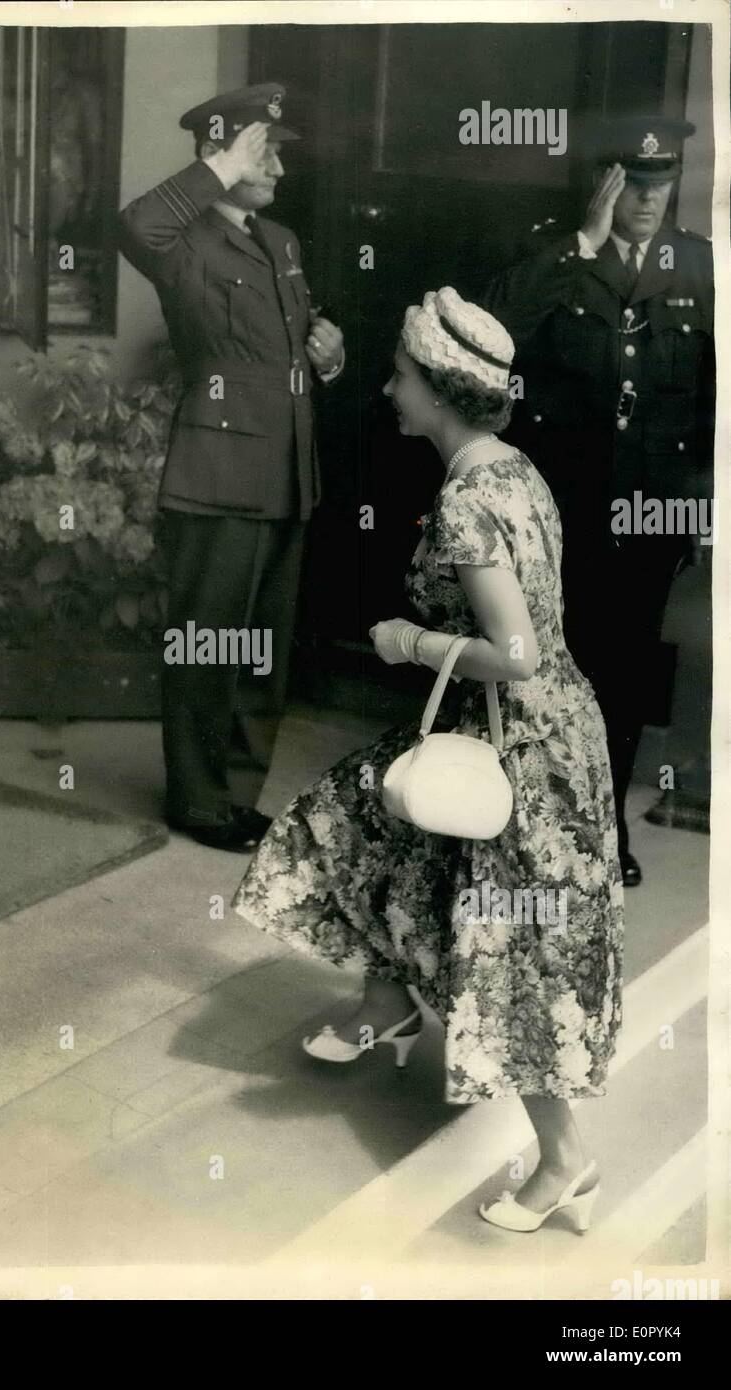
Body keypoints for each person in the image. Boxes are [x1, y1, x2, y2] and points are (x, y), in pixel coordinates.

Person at [232, 288, 624, 1233]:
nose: (388, 389)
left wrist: (408, 642)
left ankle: (564, 1159)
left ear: (442, 393)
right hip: (539, 730)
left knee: (514, 952)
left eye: (402, 377)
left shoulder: (467, 505)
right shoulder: (513, 469)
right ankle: (389, 997)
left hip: (521, 749)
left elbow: (518, 651)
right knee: (360, 826)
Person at [481, 114, 714, 888]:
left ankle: (602, 829)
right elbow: (495, 329)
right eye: (633, 185)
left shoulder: (700, 269)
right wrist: (581, 240)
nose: (648, 201)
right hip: (563, 515)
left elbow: (714, 406)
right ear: (605, 185)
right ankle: (532, 825)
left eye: (661, 184)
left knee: (619, 673)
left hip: (650, 516)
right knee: (544, 669)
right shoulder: (558, 254)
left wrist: (700, 510)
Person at [118, 84, 345, 852]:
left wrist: (329, 353)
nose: (279, 164)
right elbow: (134, 224)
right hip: (217, 472)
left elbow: (290, 338)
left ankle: (238, 793)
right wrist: (216, 170)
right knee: (207, 642)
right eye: (266, 148)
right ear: (226, 151)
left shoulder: (279, 241)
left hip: (284, 470)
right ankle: (197, 799)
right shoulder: (181, 240)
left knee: (262, 648)